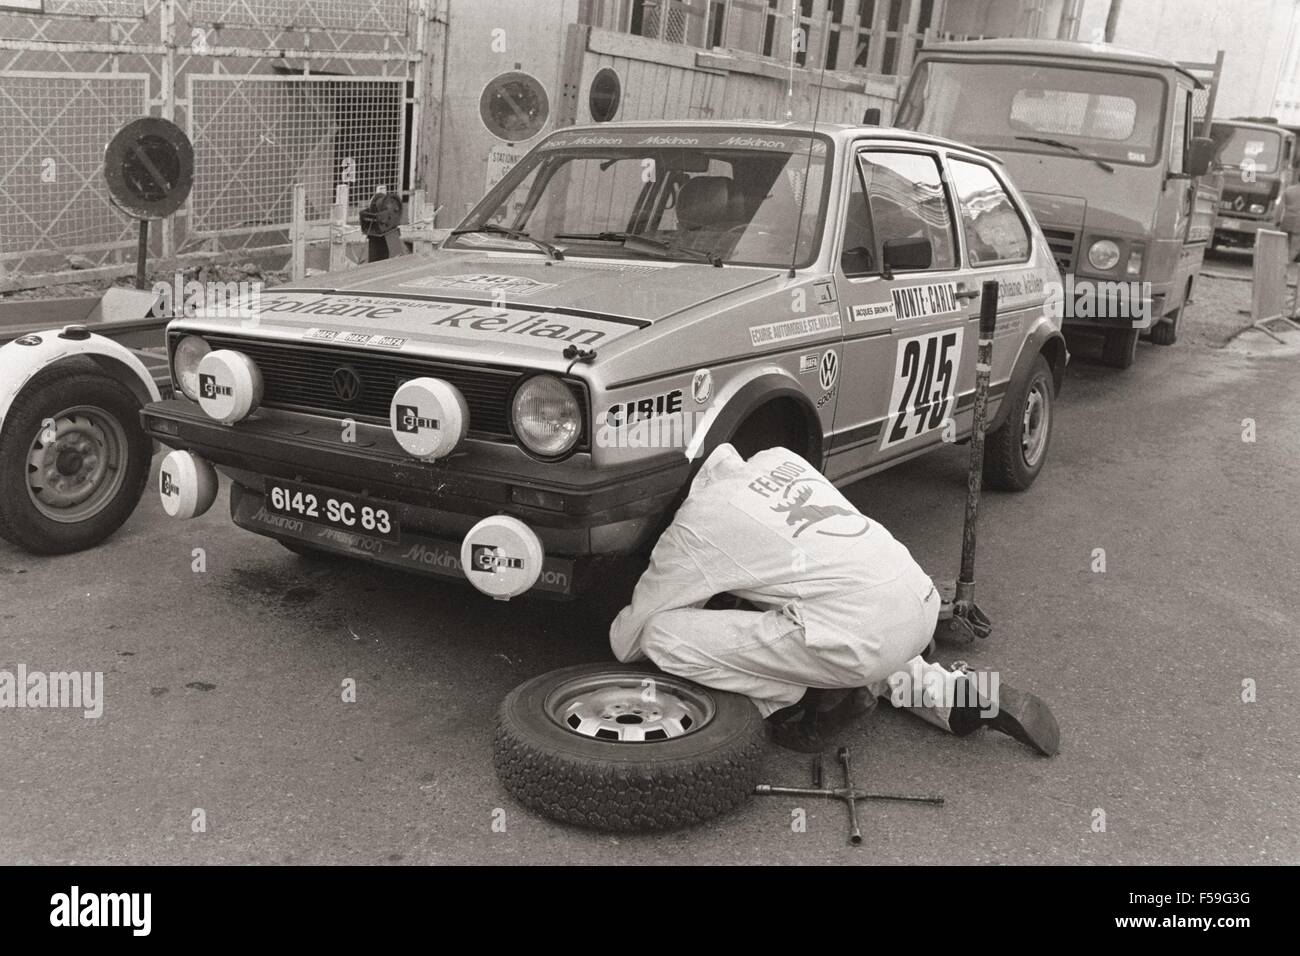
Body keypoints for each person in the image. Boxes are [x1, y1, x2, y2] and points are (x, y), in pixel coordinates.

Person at [610, 443, 1059, 755]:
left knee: (659, 634)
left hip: (858, 633)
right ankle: (956, 695)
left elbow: (626, 642)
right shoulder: (778, 459)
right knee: (843, 624)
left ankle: (806, 694)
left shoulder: (695, 525)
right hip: (915, 597)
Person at [1279, 178, 1300, 318]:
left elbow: (1281, 206)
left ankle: (1282, 268)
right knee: (1294, 250)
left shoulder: (1289, 189)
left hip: (1287, 222)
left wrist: (1277, 221)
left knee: (1285, 250)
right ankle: (1286, 270)